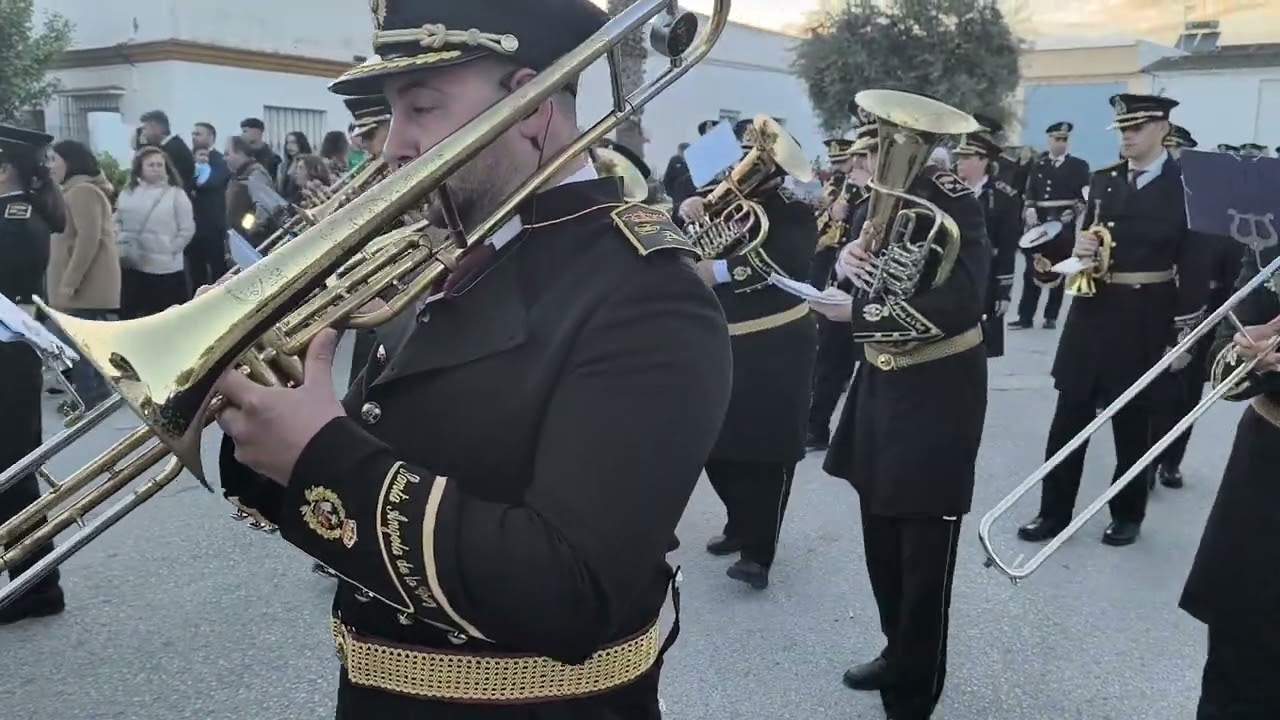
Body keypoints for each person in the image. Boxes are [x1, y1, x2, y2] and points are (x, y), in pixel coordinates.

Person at [213, 1, 733, 716]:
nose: (393, 147)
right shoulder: (445, 254)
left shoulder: (649, 293)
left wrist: (319, 454)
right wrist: (261, 401)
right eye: (393, 113)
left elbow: (573, 591)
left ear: (530, 106)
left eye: (421, 108)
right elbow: (369, 463)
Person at [810, 93, 989, 720]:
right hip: (881, 382)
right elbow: (866, 275)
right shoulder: (871, 202)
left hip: (938, 390)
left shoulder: (954, 201)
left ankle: (915, 688)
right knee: (880, 533)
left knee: (923, 553)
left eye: (890, 142)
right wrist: (848, 262)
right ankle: (895, 650)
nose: (877, 155)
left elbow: (963, 302)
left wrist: (857, 312)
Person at [1017, 94, 1214, 547]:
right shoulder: (1103, 179)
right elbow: (1087, 241)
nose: (1126, 136)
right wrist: (1074, 253)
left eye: (1136, 127)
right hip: (1092, 312)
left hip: (1147, 314)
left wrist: (1183, 334)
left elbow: (1195, 266)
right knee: (1068, 418)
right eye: (1122, 128)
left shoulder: (1188, 186)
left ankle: (1127, 514)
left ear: (1162, 129)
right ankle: (1053, 512)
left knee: (1133, 424)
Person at [679, 118, 818, 590]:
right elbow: (686, 237)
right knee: (715, 443)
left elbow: (789, 263)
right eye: (742, 157)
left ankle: (759, 552)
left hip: (777, 342)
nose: (741, 167)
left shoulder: (793, 212)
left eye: (754, 159)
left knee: (767, 449)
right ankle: (740, 522)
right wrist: (688, 208)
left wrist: (717, 271)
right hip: (721, 337)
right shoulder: (720, 201)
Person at [1180, 240, 1280, 718]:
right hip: (1268, 481)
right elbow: (1222, 364)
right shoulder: (1271, 238)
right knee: (1241, 672)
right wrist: (1249, 355)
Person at [0, 124, 67, 624]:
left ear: (5, 170)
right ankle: (33, 582)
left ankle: (37, 585)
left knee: (14, 475)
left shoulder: (16, 218)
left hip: (8, 355)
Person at [1152, 124, 1241, 489]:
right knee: (1151, 390)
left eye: (1180, 153)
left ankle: (1171, 461)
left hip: (1202, 311)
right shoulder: (1156, 199)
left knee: (1185, 393)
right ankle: (1143, 464)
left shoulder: (1215, 208)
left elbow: (1233, 268)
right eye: (1169, 151)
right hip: (1156, 304)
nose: (1174, 158)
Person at [806, 123, 875, 451]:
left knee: (848, 366)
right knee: (829, 362)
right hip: (835, 279)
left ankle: (841, 432)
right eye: (857, 156)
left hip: (860, 288)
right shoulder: (839, 184)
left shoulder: (869, 194)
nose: (855, 163)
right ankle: (816, 427)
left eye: (863, 155)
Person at [47, 139, 120, 411]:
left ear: (70, 161)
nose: (50, 166)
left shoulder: (82, 192)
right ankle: (97, 394)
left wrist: (69, 283)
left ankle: (91, 397)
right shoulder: (74, 190)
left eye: (54, 159)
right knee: (80, 343)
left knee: (71, 341)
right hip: (80, 286)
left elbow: (88, 240)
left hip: (84, 286)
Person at [1012, 121, 1090, 331]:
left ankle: (1051, 316)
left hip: (1063, 225)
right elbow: (1031, 191)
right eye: (1057, 139)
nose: (1060, 143)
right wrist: (1029, 208)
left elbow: (1085, 196)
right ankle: (1025, 316)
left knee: (1059, 269)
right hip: (1039, 222)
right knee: (1032, 269)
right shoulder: (1039, 165)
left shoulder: (1079, 166)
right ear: (1049, 140)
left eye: (1064, 140)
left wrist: (1074, 211)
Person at [953, 132, 1020, 358]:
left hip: (985, 280)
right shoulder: (949, 192)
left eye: (966, 157)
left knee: (980, 345)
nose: (959, 162)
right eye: (959, 157)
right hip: (952, 277)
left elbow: (1007, 247)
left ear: (983, 161)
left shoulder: (1004, 197)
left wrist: (1004, 292)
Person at [114, 145, 196, 318]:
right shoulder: (128, 193)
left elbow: (187, 228)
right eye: (151, 165)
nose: (156, 169)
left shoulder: (176, 194)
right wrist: (120, 240)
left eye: (160, 165)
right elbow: (117, 220)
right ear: (140, 168)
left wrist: (171, 248)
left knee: (165, 316)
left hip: (165, 269)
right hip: (133, 265)